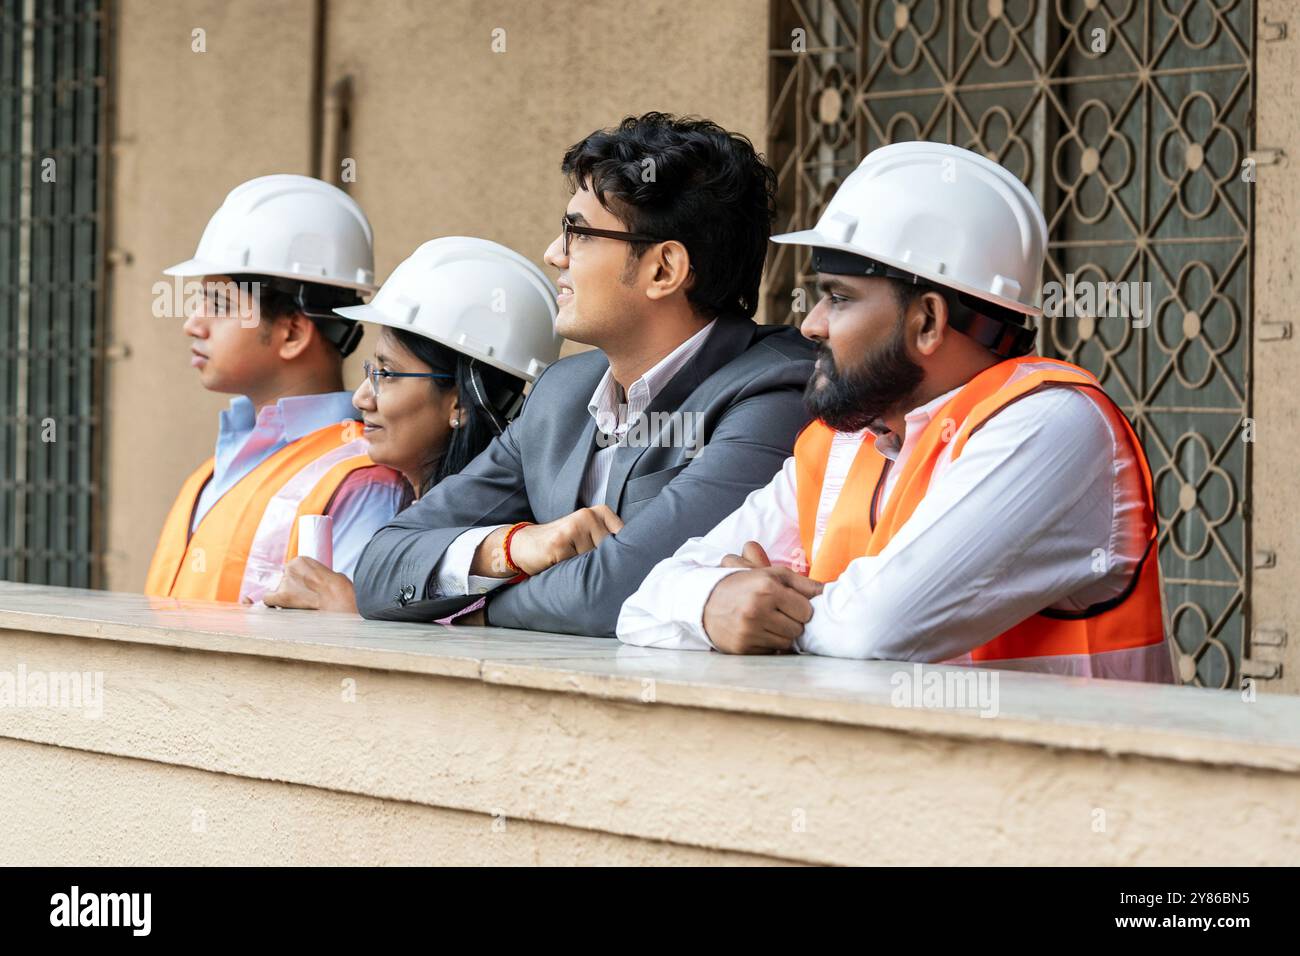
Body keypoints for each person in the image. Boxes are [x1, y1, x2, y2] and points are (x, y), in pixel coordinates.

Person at [618, 141, 1175, 683]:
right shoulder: (844, 441)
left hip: (1062, 774)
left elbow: (872, 632)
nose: (811, 324)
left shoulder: (1052, 425)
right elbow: (641, 604)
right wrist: (713, 601)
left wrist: (757, 612)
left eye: (838, 297)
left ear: (928, 321)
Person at [351, 113, 817, 635]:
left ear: (663, 269)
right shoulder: (561, 392)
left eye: (578, 233)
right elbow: (377, 568)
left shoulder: (776, 392)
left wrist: (473, 609)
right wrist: (511, 548)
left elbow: (617, 590)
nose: (554, 254)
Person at [144, 175, 410, 603]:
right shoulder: (214, 471)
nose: (192, 323)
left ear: (291, 332)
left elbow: (344, 652)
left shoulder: (362, 479)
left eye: (219, 304)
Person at [260, 237, 562, 614]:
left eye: (387, 373)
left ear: (461, 402)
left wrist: (349, 613)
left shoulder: (506, 551)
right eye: (371, 371)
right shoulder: (387, 500)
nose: (362, 398)